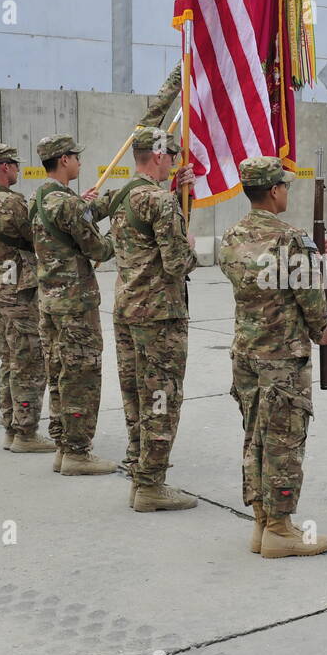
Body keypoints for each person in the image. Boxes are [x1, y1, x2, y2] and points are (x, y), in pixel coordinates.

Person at [219, 157, 327, 559]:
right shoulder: (291, 237)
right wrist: (322, 330)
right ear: (273, 191)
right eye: (284, 186)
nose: (287, 191)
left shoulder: (232, 235)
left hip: (246, 353)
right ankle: (280, 529)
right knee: (284, 439)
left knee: (255, 435)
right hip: (283, 356)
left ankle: (261, 521)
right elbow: (309, 298)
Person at [97, 126, 199, 512]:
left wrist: (178, 195)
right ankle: (152, 487)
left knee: (135, 396)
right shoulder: (160, 201)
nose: (174, 162)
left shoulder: (124, 194)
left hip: (127, 309)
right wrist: (190, 247)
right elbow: (175, 264)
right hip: (159, 315)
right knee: (161, 398)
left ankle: (140, 473)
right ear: (158, 156)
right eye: (171, 156)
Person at [29, 133, 119, 474]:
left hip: (49, 302)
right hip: (75, 304)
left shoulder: (39, 197)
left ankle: (62, 447)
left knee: (59, 374)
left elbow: (70, 224)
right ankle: (78, 454)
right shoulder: (67, 204)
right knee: (82, 376)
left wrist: (95, 205)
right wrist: (118, 234)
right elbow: (98, 250)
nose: (80, 162)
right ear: (63, 159)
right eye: (76, 157)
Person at [0, 143, 52, 453]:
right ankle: (26, 433)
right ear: (5, 167)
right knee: (29, 363)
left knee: (9, 360)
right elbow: (38, 232)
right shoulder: (9, 201)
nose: (18, 170)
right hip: (17, 290)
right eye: (15, 165)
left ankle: (11, 427)